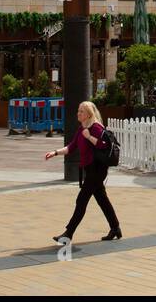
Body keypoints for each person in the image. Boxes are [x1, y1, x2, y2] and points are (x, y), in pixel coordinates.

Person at [45, 101, 122, 243]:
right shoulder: (81, 129)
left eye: (81, 111)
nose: (78, 113)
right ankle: (115, 228)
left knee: (81, 200)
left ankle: (68, 233)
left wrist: (89, 137)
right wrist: (55, 152)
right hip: (90, 169)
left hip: (97, 170)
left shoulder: (96, 128)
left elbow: (104, 145)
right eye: (78, 110)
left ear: (88, 115)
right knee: (102, 199)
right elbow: (71, 147)